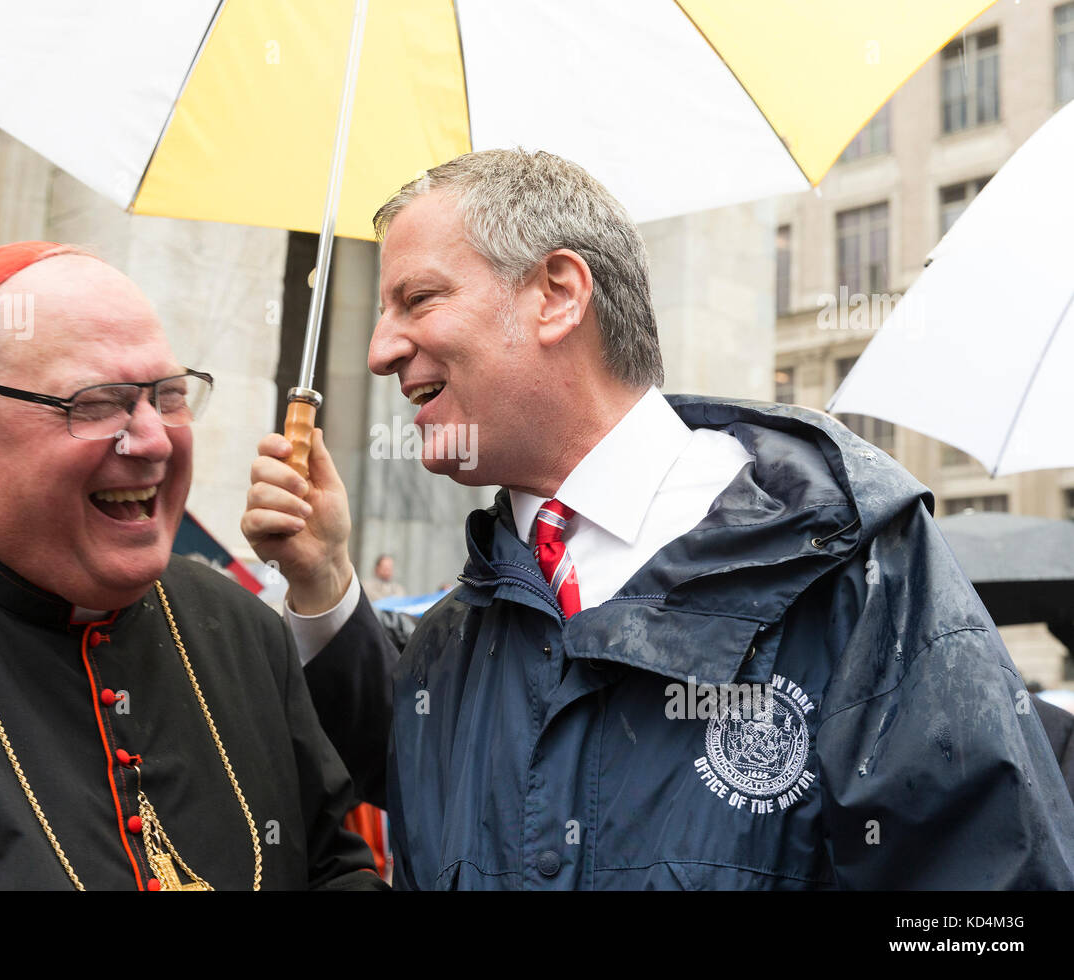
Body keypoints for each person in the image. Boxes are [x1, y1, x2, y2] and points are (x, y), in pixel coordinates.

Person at [244, 149, 1074, 889]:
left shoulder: (856, 567)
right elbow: (408, 759)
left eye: (418, 299)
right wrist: (320, 578)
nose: (380, 349)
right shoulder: (464, 629)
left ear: (558, 295)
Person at [0, 242, 383, 891]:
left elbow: (334, 871)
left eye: (170, 395)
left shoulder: (244, 632)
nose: (152, 439)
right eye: (96, 402)